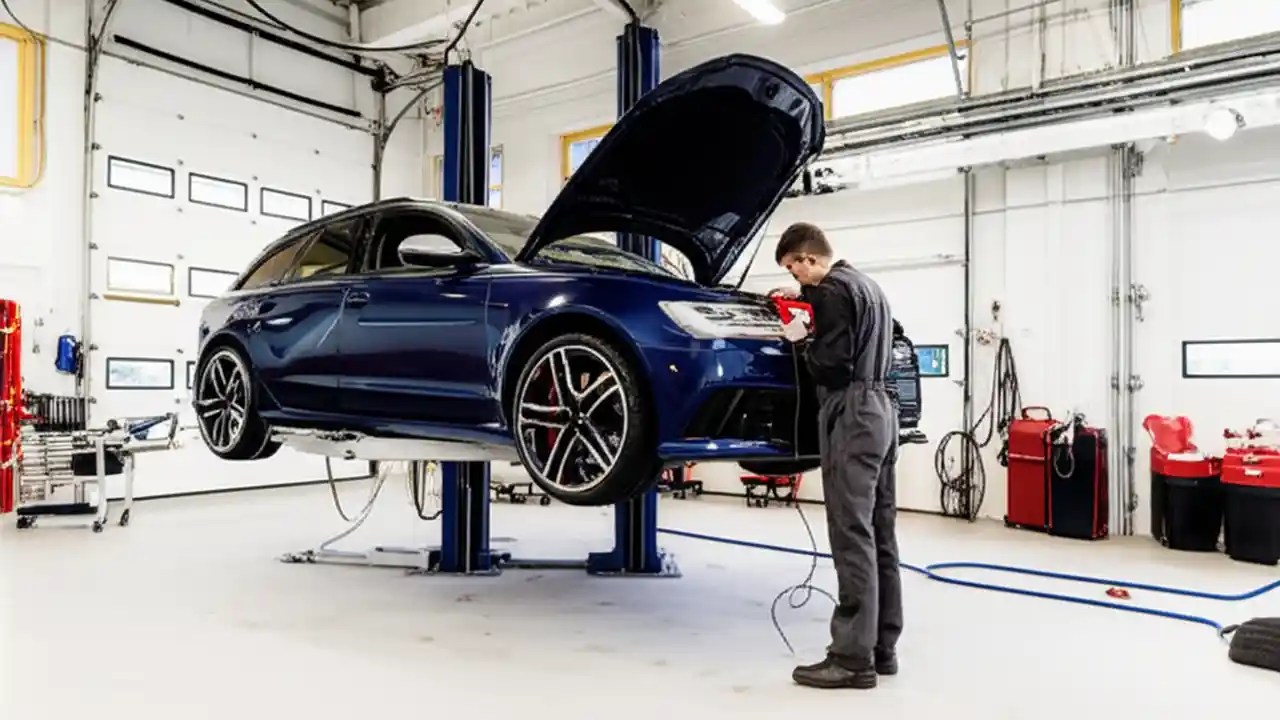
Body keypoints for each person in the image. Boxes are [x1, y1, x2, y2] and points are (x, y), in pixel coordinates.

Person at [772, 221, 903, 690]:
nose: (798, 277)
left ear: (808, 259)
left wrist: (799, 339)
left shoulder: (829, 291)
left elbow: (832, 362)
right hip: (884, 410)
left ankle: (850, 658)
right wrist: (805, 302)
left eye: (795, 268)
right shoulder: (870, 288)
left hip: (851, 411)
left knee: (850, 533)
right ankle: (882, 648)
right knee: (879, 531)